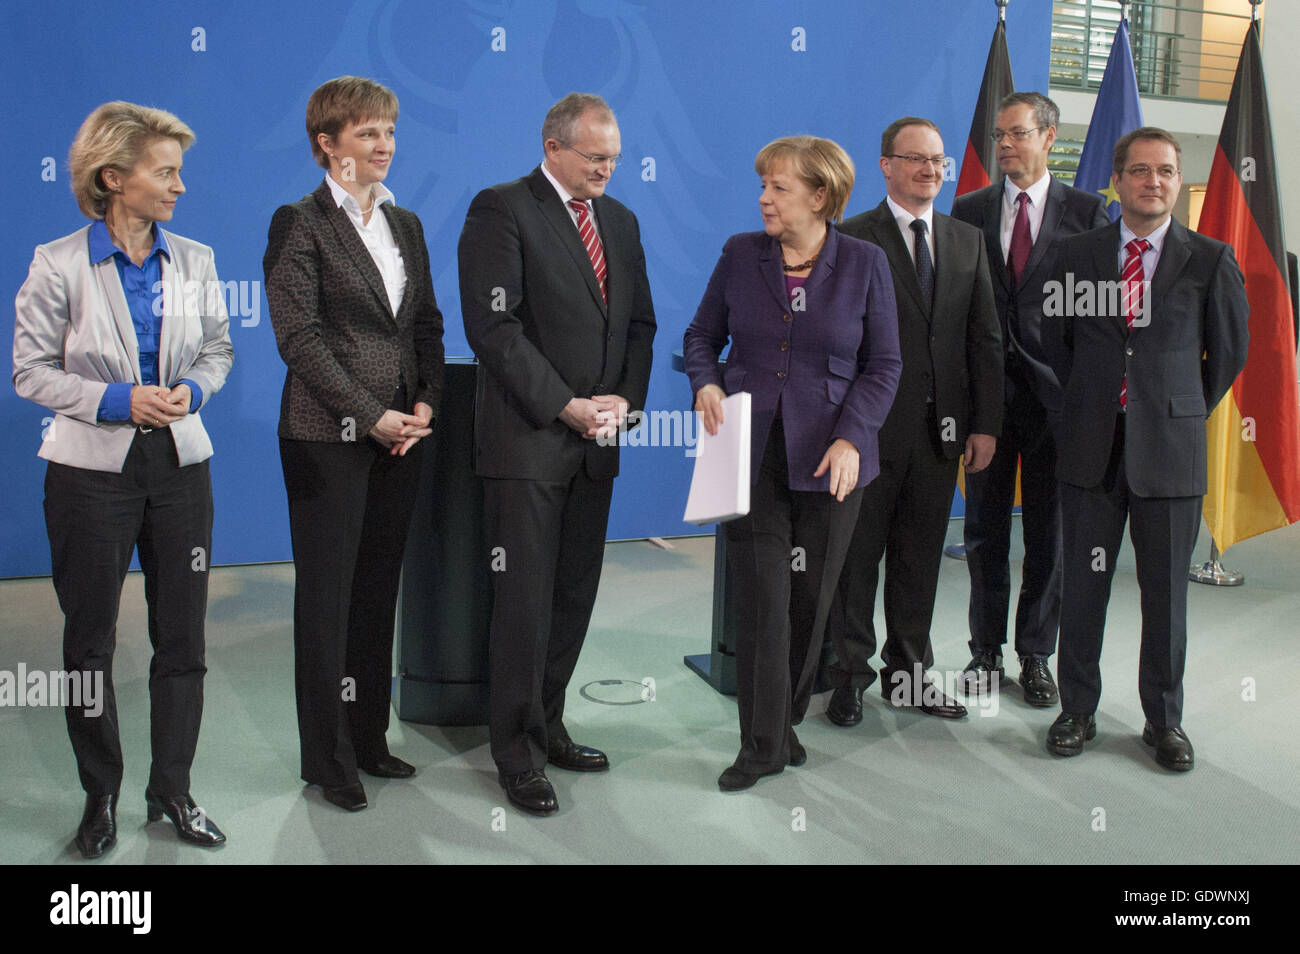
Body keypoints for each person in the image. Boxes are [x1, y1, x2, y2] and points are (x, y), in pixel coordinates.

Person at [12, 101, 233, 857]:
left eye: (179, 172)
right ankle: (100, 796)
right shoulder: (57, 262)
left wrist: (193, 392)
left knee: (184, 638)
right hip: (88, 477)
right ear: (114, 177)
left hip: (180, 469)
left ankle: (173, 790)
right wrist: (114, 399)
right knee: (89, 645)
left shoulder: (196, 260)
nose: (179, 187)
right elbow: (29, 372)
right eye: (165, 172)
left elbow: (218, 351)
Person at [458, 93, 656, 816]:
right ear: (553, 148)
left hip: (597, 445)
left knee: (572, 596)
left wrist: (622, 405)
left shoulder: (622, 221)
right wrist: (565, 405)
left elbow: (639, 324)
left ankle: (550, 722)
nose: (607, 169)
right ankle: (516, 753)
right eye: (595, 157)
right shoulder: (501, 209)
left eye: (614, 158)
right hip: (529, 443)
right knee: (524, 604)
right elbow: (493, 326)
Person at [685, 136, 901, 791]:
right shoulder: (739, 253)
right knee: (761, 605)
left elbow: (884, 364)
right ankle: (760, 745)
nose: (763, 199)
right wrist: (706, 381)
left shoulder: (866, 263)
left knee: (810, 607)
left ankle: (782, 724)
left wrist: (853, 436)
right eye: (764, 185)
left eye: (778, 187)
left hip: (831, 463)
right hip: (748, 457)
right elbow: (702, 336)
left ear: (820, 195)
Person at [264, 76, 445, 812]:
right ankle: (328, 758)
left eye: (390, 132)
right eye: (367, 132)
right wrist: (369, 413)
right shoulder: (298, 223)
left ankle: (369, 738)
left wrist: (426, 400)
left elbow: (426, 324)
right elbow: (298, 338)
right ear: (326, 144)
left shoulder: (405, 225)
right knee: (329, 600)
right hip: (328, 437)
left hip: (403, 436)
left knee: (376, 596)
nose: (384, 145)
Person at [1044, 127, 1248, 771]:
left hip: (1170, 454)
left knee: (1165, 597)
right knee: (1084, 587)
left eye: (1164, 171)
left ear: (1176, 181)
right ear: (1118, 180)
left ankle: (1164, 722)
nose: (1152, 182)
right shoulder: (1077, 255)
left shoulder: (1210, 259)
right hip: (1090, 451)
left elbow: (1228, 356)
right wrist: (1096, 397)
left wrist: (1172, 406)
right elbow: (1055, 341)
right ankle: (1076, 709)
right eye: (1139, 171)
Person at [825, 117, 1002, 725]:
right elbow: (838, 344)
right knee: (855, 562)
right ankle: (848, 676)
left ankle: (909, 676)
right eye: (916, 159)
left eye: (938, 160)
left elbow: (983, 339)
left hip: (941, 437)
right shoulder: (849, 237)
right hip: (868, 433)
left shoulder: (965, 240)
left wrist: (984, 425)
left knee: (919, 559)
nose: (930, 170)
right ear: (886, 165)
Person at [952, 92, 1109, 706]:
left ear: (1049, 136)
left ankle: (1036, 656)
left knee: (1051, 536)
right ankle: (984, 651)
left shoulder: (1090, 212)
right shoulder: (968, 209)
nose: (1005, 144)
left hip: (1059, 405)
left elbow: (1099, 316)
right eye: (999, 135)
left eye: (1017, 133)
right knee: (985, 533)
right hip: (986, 403)